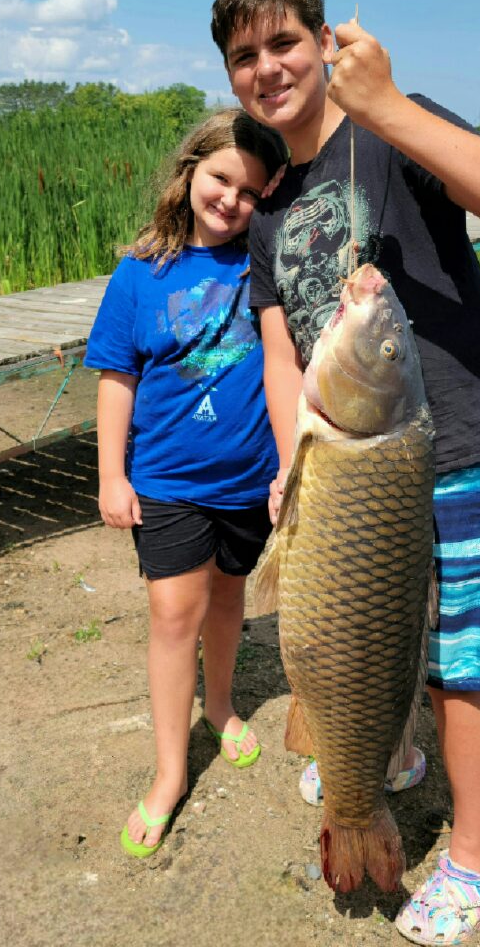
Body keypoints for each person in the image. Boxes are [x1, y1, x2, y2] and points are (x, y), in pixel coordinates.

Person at [210, 0, 480, 944]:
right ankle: (379, 750)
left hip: (450, 446)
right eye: (244, 56)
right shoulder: (269, 210)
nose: (267, 67)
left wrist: (389, 104)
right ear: (231, 76)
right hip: (333, 465)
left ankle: (477, 851)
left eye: (283, 42)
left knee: (460, 652)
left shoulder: (396, 130)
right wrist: (288, 463)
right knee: (335, 636)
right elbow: (280, 353)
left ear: (324, 39)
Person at [84, 108, 287, 858]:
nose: (231, 199)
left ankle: (223, 705)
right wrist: (112, 475)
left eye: (250, 190)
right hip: (165, 480)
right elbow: (115, 377)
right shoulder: (140, 271)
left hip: (248, 481)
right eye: (220, 178)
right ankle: (170, 773)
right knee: (175, 614)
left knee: (227, 597)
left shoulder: (262, 268)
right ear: (190, 173)